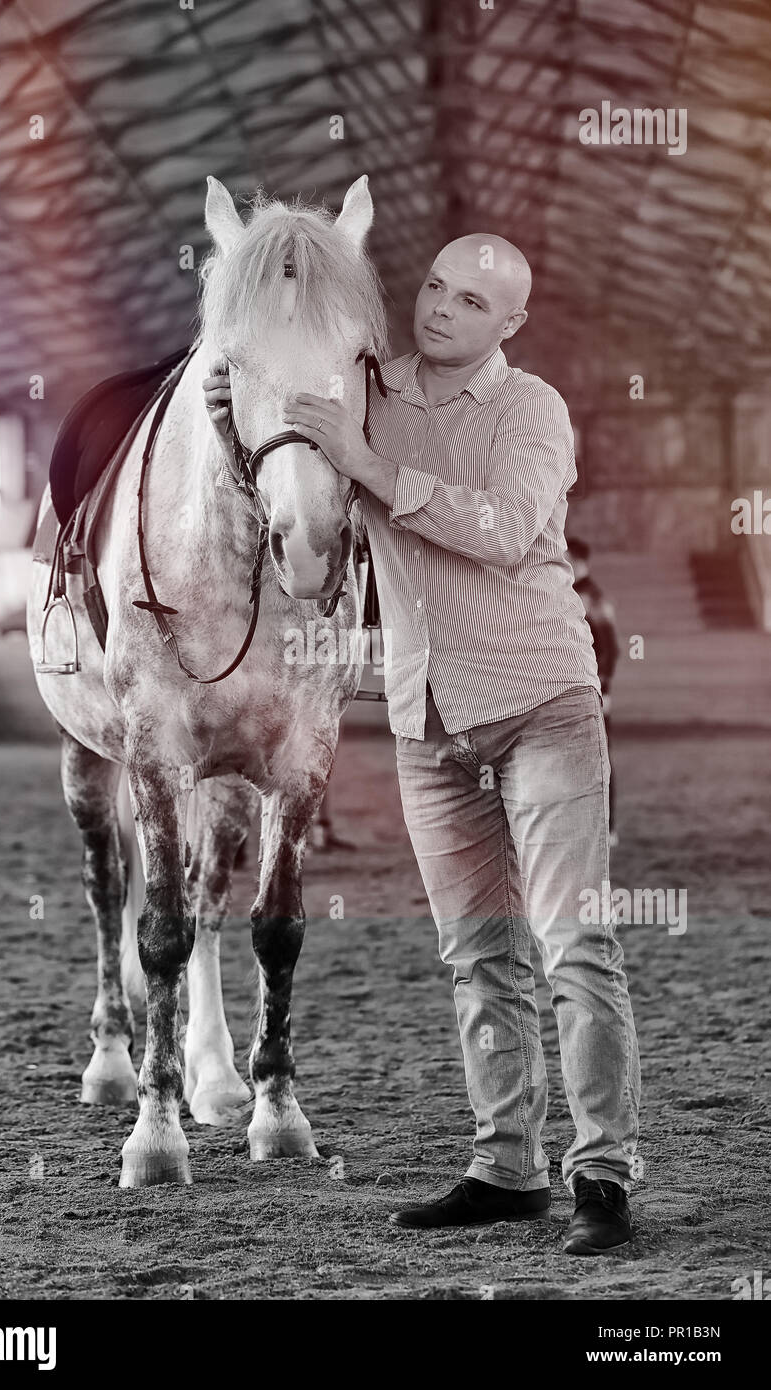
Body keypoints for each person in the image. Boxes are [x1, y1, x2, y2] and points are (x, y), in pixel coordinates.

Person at [203, 232, 640, 1256]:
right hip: (424, 721)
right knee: (477, 955)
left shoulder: (531, 410)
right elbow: (289, 465)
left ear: (508, 323)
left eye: (472, 302)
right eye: (436, 288)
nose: (442, 309)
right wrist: (242, 418)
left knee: (573, 947)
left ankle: (602, 1176)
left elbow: (502, 525)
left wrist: (367, 464)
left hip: (541, 702)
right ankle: (503, 1167)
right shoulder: (366, 389)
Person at [566, 536, 620, 845]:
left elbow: (611, 650)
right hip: (577, 691)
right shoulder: (571, 593)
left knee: (601, 760)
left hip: (594, 691)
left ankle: (608, 827)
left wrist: (604, 687)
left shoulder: (594, 598)